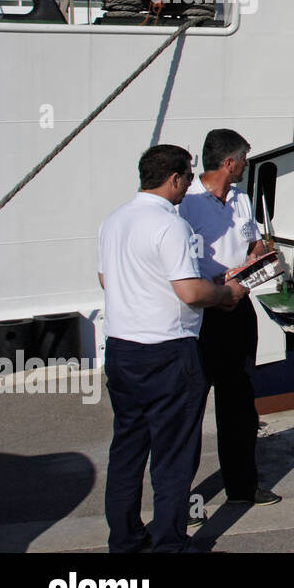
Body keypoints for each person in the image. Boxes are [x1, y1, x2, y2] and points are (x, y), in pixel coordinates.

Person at [97, 145, 248, 553]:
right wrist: (225, 292)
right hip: (167, 351)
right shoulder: (170, 225)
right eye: (187, 176)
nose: (188, 185)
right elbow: (190, 291)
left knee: (127, 449)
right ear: (175, 179)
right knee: (174, 456)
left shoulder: (114, 220)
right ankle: (169, 543)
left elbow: (105, 280)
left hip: (122, 350)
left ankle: (125, 540)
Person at [179, 129, 281, 509]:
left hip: (238, 311)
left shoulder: (239, 199)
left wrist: (259, 255)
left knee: (239, 403)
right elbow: (178, 264)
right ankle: (180, 498)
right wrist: (214, 289)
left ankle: (242, 486)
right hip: (201, 318)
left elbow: (251, 240)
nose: (245, 166)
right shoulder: (186, 204)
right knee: (190, 406)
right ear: (229, 162)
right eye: (243, 160)